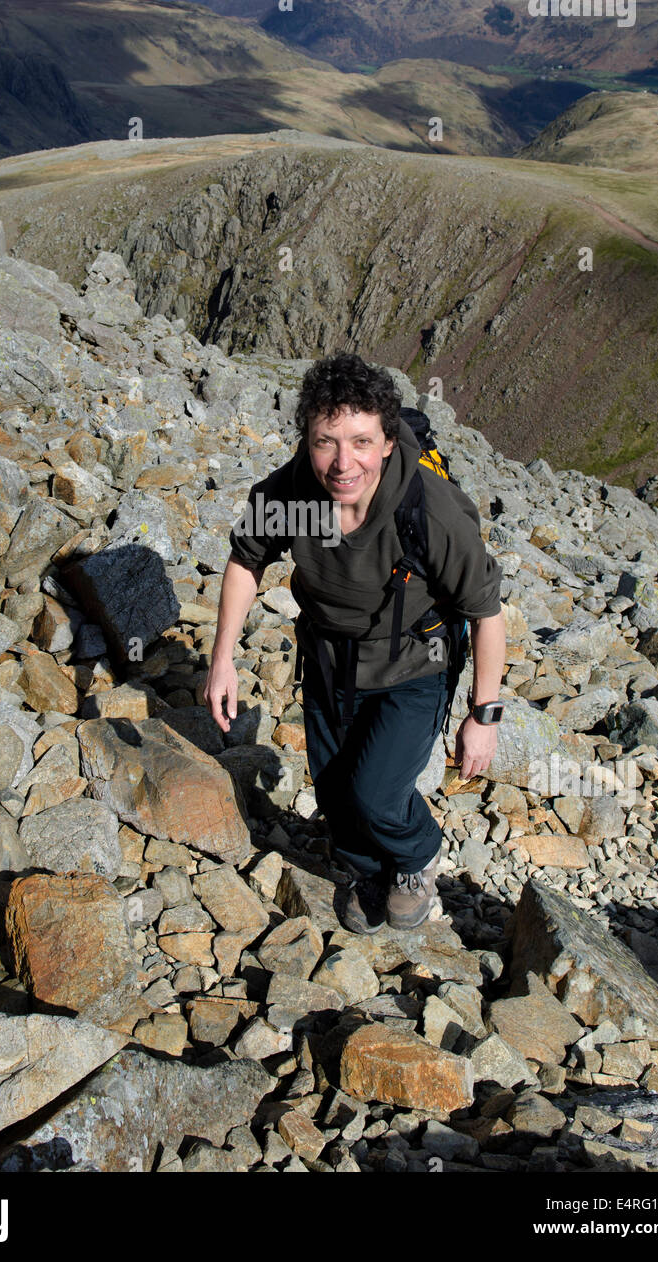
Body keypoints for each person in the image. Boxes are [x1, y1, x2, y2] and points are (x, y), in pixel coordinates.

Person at [203, 353, 506, 935]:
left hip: (415, 667)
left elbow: (484, 610)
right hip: (328, 662)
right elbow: (246, 559)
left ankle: (415, 857)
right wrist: (222, 662)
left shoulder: (426, 509)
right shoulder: (297, 492)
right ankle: (365, 871)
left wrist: (484, 715)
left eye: (362, 442)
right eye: (326, 442)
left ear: (389, 442)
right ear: (307, 440)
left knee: (376, 793)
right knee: (336, 795)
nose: (344, 463)